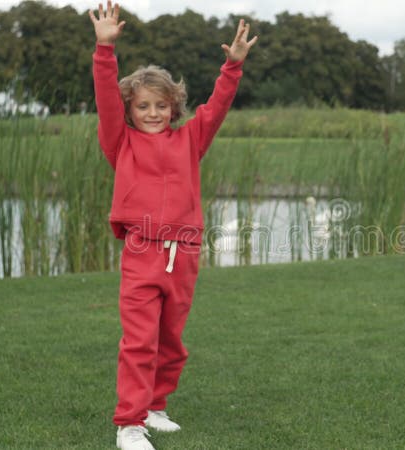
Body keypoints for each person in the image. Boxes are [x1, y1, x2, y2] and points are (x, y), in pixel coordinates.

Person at [89, 2, 257, 449]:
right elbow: (106, 98)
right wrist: (105, 50)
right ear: (130, 110)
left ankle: (155, 407)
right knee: (140, 341)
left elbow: (216, 107)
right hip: (143, 251)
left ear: (173, 107)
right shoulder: (119, 142)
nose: (152, 112)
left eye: (161, 105)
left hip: (183, 253)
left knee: (171, 340)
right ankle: (129, 424)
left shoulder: (189, 140)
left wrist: (232, 67)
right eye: (142, 105)